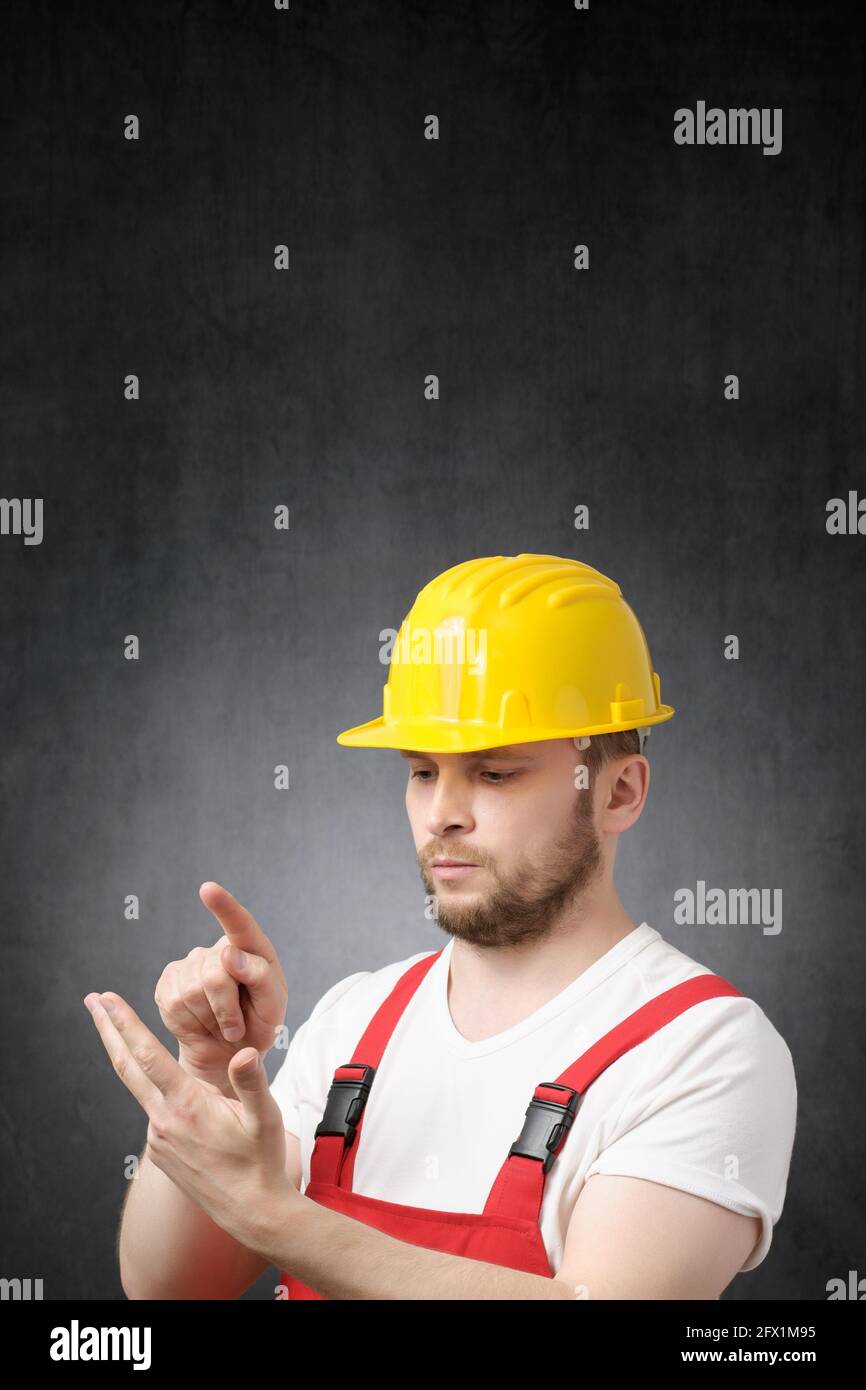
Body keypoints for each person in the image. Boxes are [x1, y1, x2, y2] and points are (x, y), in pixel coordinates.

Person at [109, 552, 797, 1299]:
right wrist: (205, 1080)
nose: (443, 813)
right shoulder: (355, 1020)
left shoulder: (705, 1047)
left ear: (619, 793)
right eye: (423, 771)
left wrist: (280, 1221)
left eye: (495, 773)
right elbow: (169, 1292)